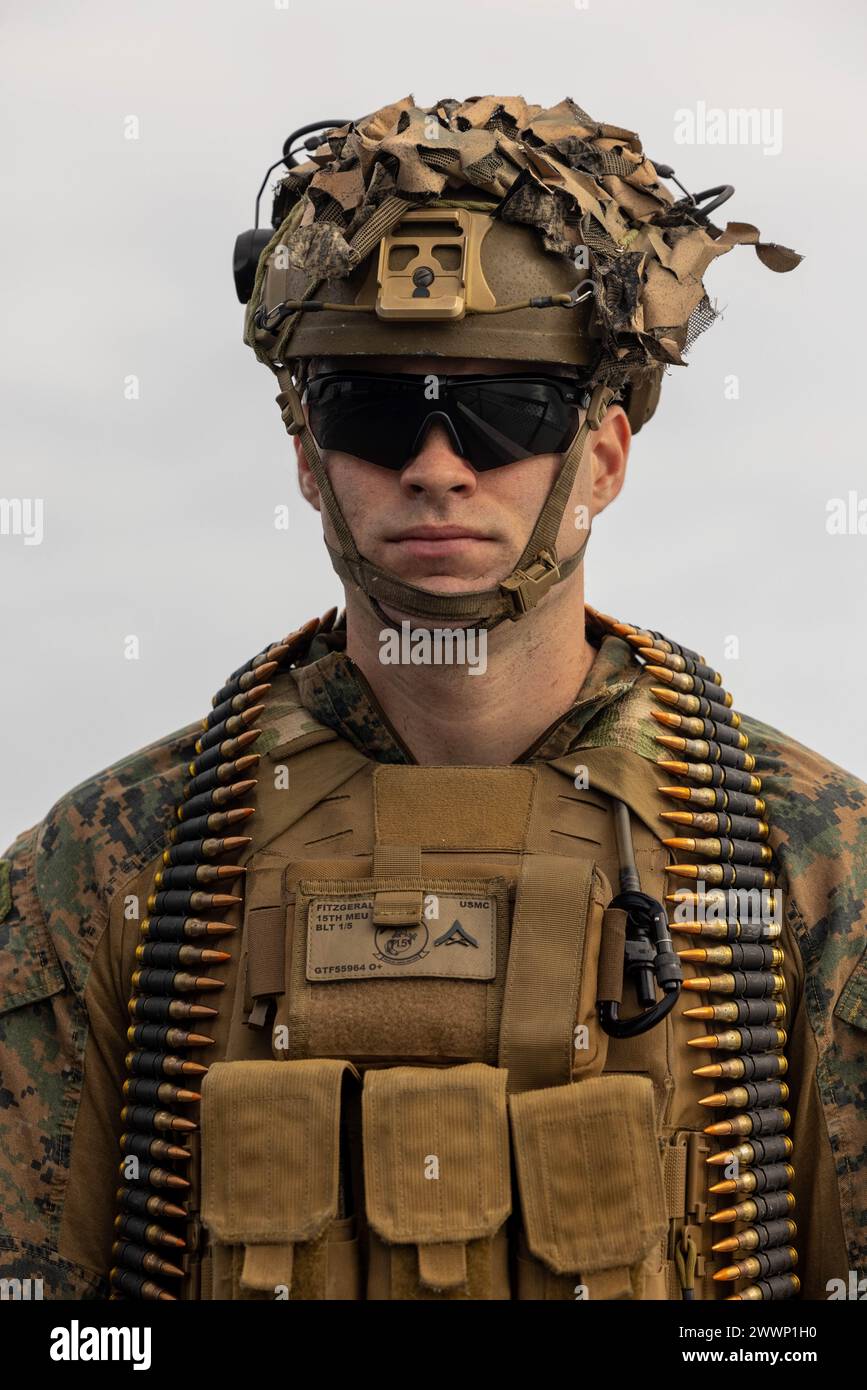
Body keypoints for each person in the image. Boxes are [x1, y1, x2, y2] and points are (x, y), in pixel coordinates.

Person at [1, 94, 864, 1303]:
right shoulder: (110, 865)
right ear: (306, 454)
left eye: (506, 406)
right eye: (372, 406)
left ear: (604, 456)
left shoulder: (810, 859)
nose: (437, 464)